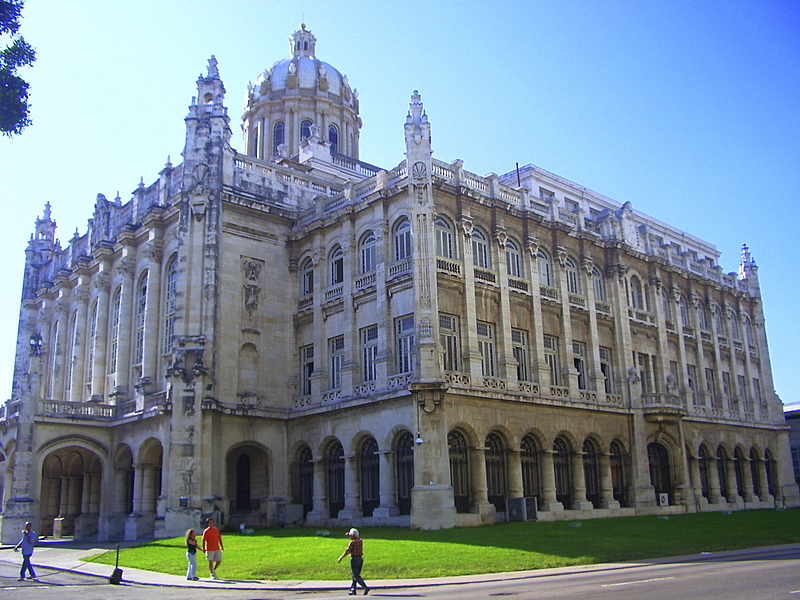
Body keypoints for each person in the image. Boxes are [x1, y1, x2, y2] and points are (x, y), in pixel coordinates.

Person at [338, 527, 369, 595]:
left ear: (353, 536)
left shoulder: (352, 542)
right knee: (355, 575)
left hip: (354, 559)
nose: (349, 537)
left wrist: (341, 557)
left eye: (350, 535)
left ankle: (365, 587)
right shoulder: (360, 541)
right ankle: (353, 590)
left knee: (356, 576)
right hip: (360, 559)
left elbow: (347, 551)